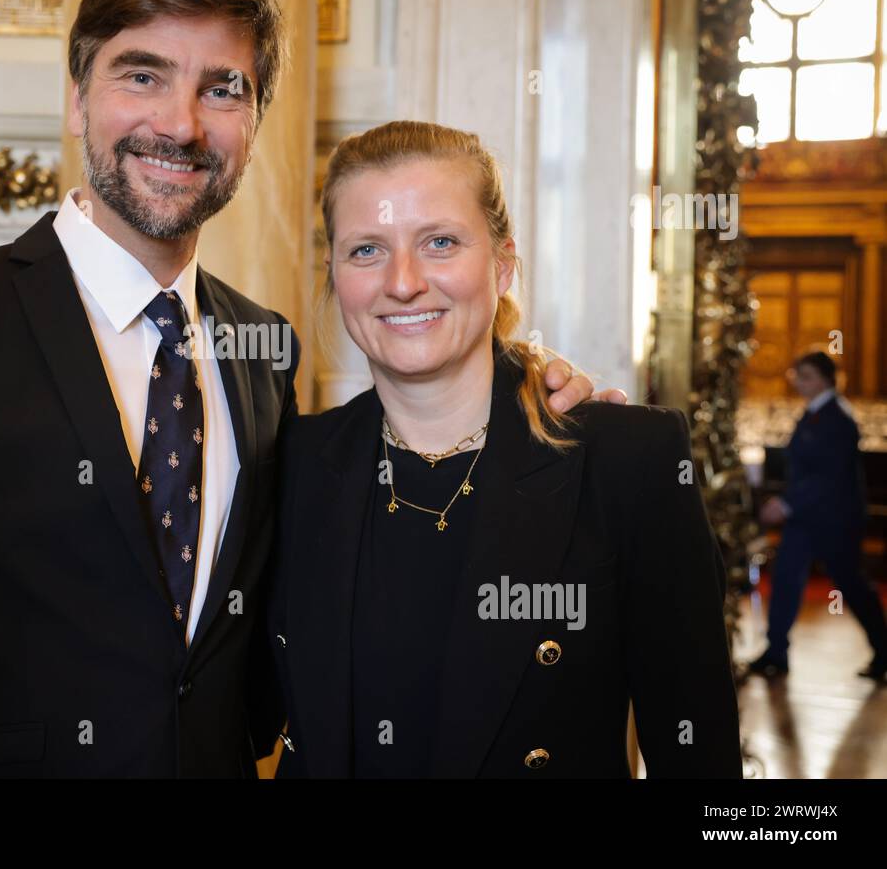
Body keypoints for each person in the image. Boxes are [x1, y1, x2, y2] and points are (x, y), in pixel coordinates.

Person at [0, 0, 611, 778]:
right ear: (80, 97)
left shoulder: (262, 348)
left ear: (255, 120)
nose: (179, 123)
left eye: (222, 89)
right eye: (143, 74)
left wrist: (512, 391)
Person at [267, 121, 742, 777]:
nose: (402, 282)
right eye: (367, 250)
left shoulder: (629, 462)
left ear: (502, 263)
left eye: (439, 242)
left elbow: (697, 754)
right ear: (335, 274)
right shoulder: (290, 463)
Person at [750, 352, 887, 681]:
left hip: (833, 519)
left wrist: (786, 504)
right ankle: (776, 652)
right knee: (785, 579)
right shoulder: (815, 413)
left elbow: (829, 476)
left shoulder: (837, 417)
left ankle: (884, 651)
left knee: (850, 583)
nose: (798, 381)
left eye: (806, 376)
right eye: (798, 375)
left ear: (825, 379)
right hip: (806, 518)